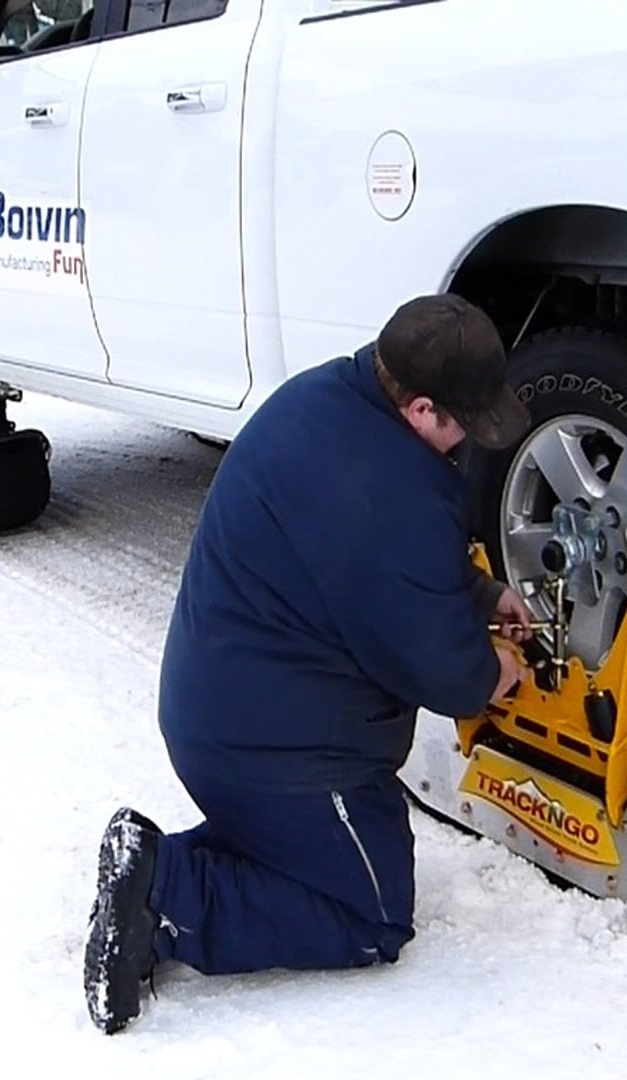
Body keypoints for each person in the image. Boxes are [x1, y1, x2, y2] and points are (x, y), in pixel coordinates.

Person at [81, 293, 537, 1034]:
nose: (467, 442)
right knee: (368, 912)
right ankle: (168, 894)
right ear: (422, 409)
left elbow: (372, 564)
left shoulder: (327, 399)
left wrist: (479, 593)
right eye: (462, 422)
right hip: (278, 748)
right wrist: (493, 671)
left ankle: (145, 865)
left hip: (223, 711)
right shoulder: (391, 485)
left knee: (316, 856)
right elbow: (445, 672)